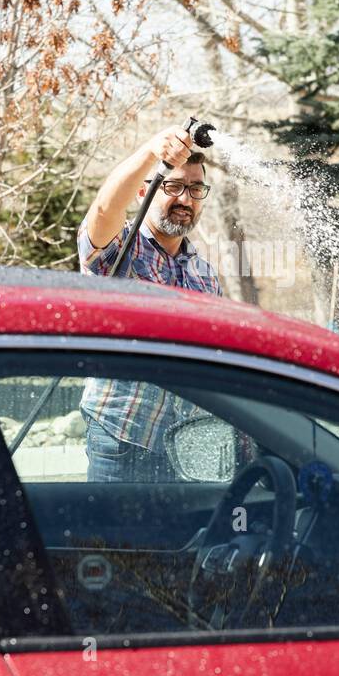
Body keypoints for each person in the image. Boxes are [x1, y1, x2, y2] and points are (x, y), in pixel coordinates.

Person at [76, 125, 223, 481]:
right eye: (173, 187)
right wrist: (150, 151)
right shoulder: (121, 249)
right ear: (146, 190)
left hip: (183, 451)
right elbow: (104, 208)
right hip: (120, 439)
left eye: (195, 189)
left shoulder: (204, 275)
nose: (185, 200)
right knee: (114, 540)